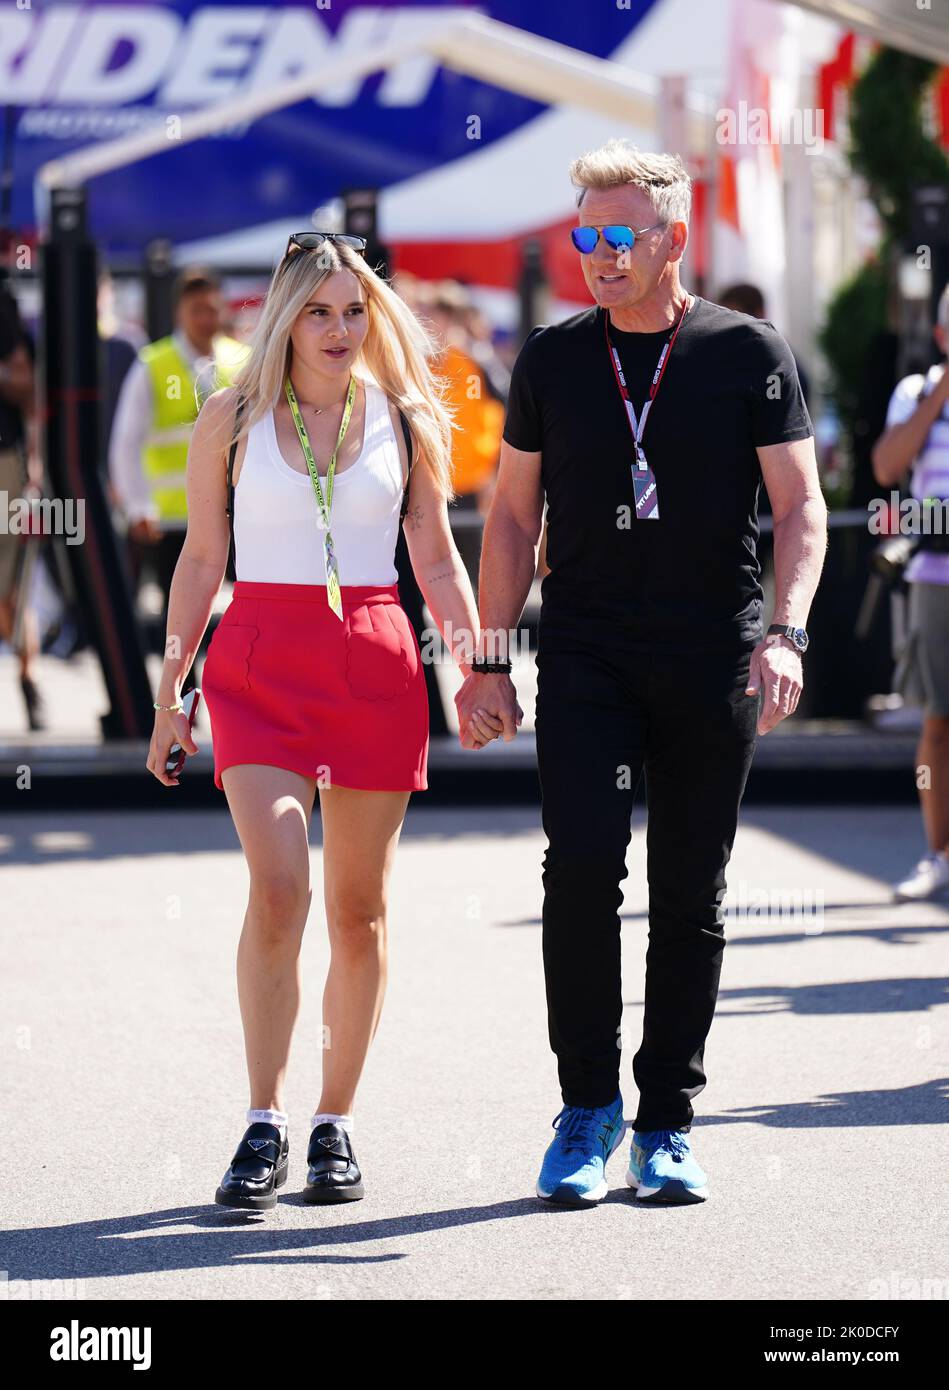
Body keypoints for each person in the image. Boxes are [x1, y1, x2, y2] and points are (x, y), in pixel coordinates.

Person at [455, 139, 827, 1207]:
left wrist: (786, 630)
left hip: (713, 650)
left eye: (620, 237)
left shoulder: (746, 351)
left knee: (689, 894)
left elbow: (801, 508)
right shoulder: (551, 357)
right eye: (585, 237)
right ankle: (585, 1111)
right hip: (585, 654)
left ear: (672, 239)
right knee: (578, 871)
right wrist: (485, 658)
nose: (600, 257)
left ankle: (665, 1118)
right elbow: (512, 515)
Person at [145, 231, 486, 1209]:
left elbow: (436, 561)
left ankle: (335, 1121)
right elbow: (200, 565)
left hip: (375, 663)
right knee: (281, 884)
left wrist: (478, 667)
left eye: (352, 310)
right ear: (284, 318)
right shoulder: (231, 419)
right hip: (257, 666)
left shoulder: (409, 419)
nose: (337, 329)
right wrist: (171, 697)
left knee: (359, 909)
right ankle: (264, 1117)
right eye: (318, 310)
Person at [109, 267, 248, 646]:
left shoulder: (243, 361)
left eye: (212, 308)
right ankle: (182, 701)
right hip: (173, 519)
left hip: (237, 514)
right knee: (181, 623)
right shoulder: (153, 364)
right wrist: (138, 506)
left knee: (250, 609)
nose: (206, 318)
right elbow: (126, 442)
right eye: (196, 309)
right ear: (178, 313)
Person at [873, 282, 949, 902]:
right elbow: (886, 466)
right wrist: (941, 392)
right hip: (937, 579)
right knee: (937, 724)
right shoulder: (917, 391)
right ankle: (937, 852)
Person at [0, 271, 47, 730]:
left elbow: (22, 382)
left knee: (10, 588)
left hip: (3, 463)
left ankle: (28, 681)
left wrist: (32, 466)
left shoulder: (3, 303)